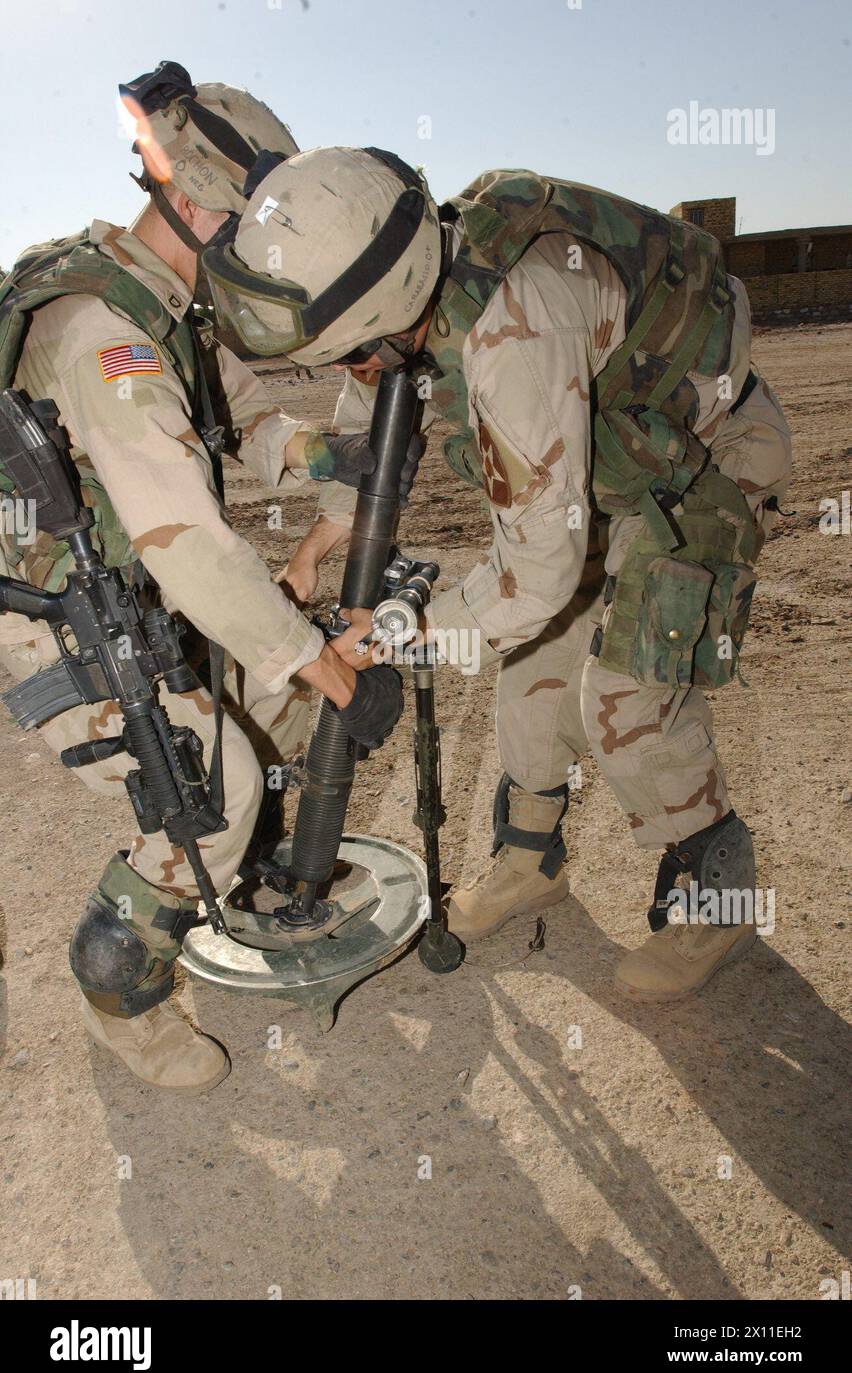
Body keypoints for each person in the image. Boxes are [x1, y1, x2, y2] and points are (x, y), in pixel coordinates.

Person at [204, 145, 793, 1004]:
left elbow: (535, 579)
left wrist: (404, 632)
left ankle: (721, 897)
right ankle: (529, 860)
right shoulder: (409, 287)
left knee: (622, 691)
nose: (345, 369)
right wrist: (311, 552)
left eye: (348, 352)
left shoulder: (512, 333)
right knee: (529, 669)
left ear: (385, 316)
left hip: (707, 466)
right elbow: (370, 428)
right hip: (605, 468)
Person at [0, 70, 405, 1093]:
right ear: (190, 203)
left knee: (274, 688)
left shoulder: (159, 302)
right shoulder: (109, 332)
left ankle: (254, 878)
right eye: (248, 224)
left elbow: (231, 424)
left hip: (108, 588)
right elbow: (188, 543)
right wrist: (333, 673)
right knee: (212, 780)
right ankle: (119, 987)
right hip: (42, 618)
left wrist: (327, 459)